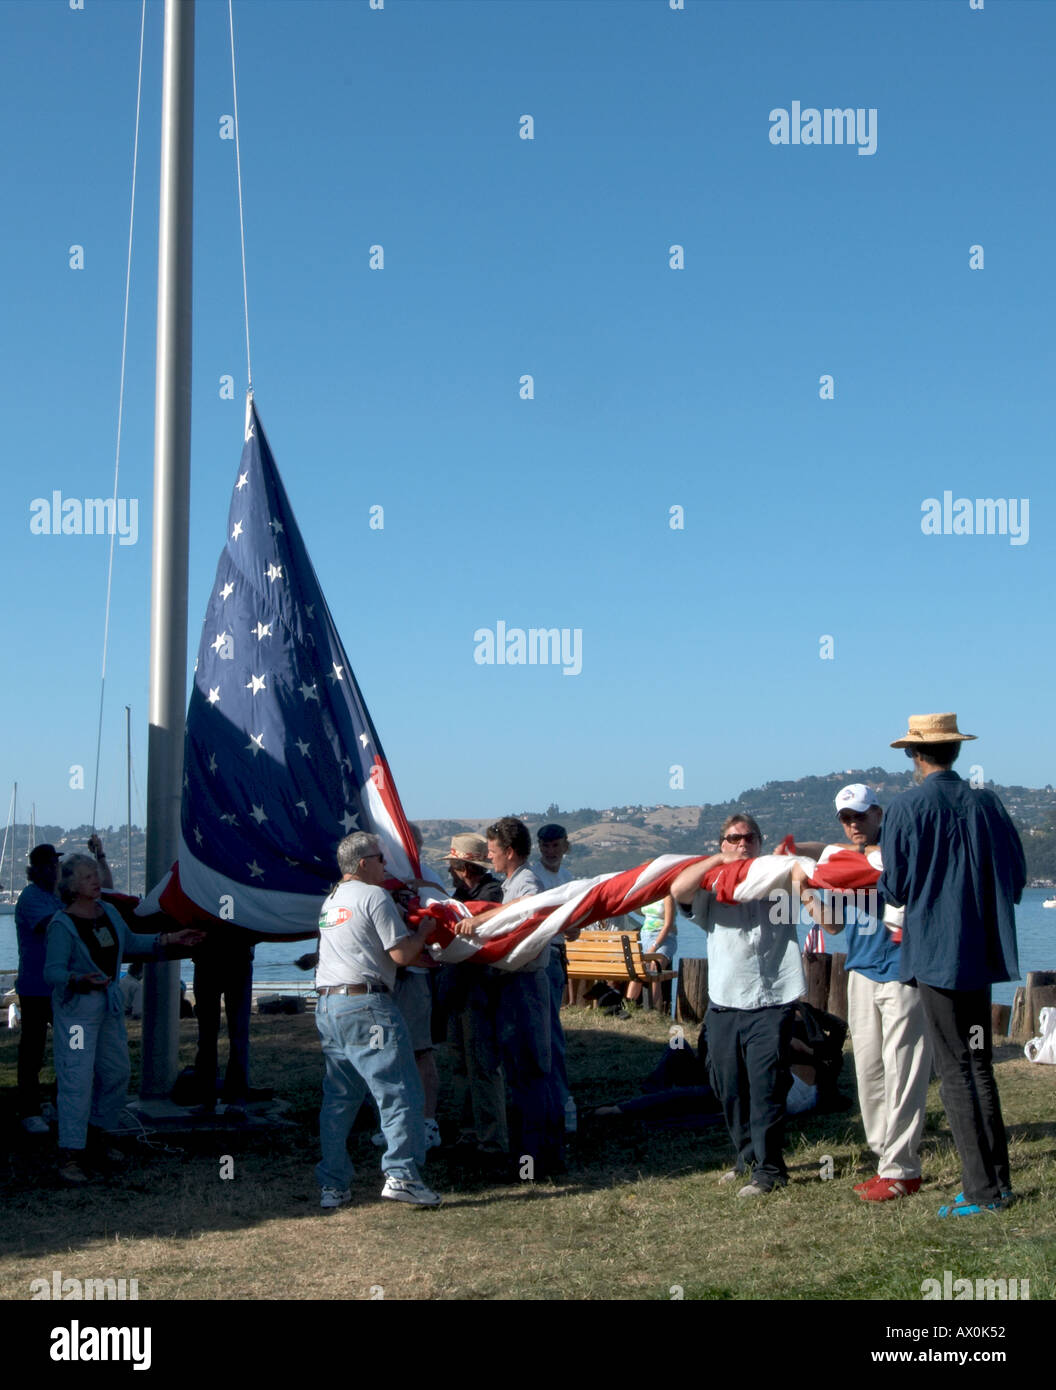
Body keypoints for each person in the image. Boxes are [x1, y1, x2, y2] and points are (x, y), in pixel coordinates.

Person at [878, 713, 1025, 1218]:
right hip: (981, 951)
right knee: (978, 1063)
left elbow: (895, 887)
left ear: (914, 755)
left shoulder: (906, 806)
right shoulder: (988, 802)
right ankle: (995, 1183)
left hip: (937, 954)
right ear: (955, 753)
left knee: (955, 1068)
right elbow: (1016, 874)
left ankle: (981, 1193)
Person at [792, 784, 931, 1201]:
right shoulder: (840, 864)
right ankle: (883, 1157)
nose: (855, 824)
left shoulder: (897, 854)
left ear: (878, 813)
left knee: (902, 1070)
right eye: (847, 818)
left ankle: (902, 1168)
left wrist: (810, 858)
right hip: (861, 972)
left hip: (904, 972)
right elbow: (833, 925)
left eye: (861, 815)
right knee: (869, 1069)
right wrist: (806, 892)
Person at [43, 854, 203, 1184]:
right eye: (87, 876)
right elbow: (52, 971)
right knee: (77, 1078)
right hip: (77, 1016)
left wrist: (171, 939)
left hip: (109, 1009)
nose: (95, 880)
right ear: (71, 886)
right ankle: (71, 1153)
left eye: (95, 874)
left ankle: (99, 1135)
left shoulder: (110, 914)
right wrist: (79, 979)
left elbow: (131, 944)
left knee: (116, 1072)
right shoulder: (61, 925)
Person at [670, 813, 804, 1197]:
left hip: (772, 997)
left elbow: (805, 886)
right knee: (728, 1086)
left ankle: (770, 1171)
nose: (742, 844)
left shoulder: (777, 881)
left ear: (760, 842)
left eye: (749, 838)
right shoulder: (709, 888)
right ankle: (746, 1157)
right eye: (733, 838)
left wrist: (788, 872)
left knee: (766, 1086)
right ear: (722, 843)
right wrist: (716, 863)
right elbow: (679, 888)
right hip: (726, 999)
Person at [314, 831, 441, 1209]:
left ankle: (333, 1185)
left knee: (339, 1098)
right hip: (368, 1006)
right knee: (399, 1089)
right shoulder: (374, 896)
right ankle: (401, 1174)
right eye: (381, 859)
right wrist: (423, 932)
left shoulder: (332, 900)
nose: (386, 865)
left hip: (329, 1005)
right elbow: (402, 955)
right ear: (364, 863)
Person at [486, 816, 562, 1178]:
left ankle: (536, 1159)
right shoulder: (512, 882)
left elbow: (528, 922)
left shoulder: (526, 883)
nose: (490, 858)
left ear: (510, 852)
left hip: (526, 984)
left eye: (493, 851)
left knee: (530, 1071)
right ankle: (532, 1157)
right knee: (521, 1072)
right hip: (515, 984)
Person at [438, 834, 507, 1161]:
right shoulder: (462, 895)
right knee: (460, 1065)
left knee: (482, 1066)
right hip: (458, 988)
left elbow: (483, 925)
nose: (451, 870)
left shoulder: (490, 895)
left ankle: (491, 1139)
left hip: (478, 989)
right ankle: (469, 1132)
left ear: (466, 867)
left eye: (454, 865)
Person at [13, 845, 64, 1133]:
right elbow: (51, 926)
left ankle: (57, 1103)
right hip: (35, 988)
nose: (53, 870)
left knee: (69, 1048)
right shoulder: (31, 897)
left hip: (57, 987)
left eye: (55, 865)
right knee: (32, 1050)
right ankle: (29, 1109)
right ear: (37, 869)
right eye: (48, 865)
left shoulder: (55, 897)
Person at [531, 823, 575, 1130]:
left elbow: (573, 926)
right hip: (542, 953)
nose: (550, 851)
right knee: (546, 1031)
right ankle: (556, 1098)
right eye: (545, 846)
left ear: (565, 847)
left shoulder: (568, 879)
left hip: (557, 953)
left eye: (555, 845)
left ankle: (557, 1096)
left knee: (551, 1027)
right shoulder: (535, 877)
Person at [190, 928, 256, 1112]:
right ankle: (209, 1097)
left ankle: (233, 1097)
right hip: (210, 960)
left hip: (233, 960)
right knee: (209, 1035)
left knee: (235, 1034)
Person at [626, 894, 677, 1010]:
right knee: (638, 971)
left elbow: (668, 924)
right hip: (645, 936)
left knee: (655, 967)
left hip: (665, 938)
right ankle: (629, 1007)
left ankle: (653, 1010)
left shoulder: (667, 896)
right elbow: (636, 908)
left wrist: (654, 947)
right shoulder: (649, 894)